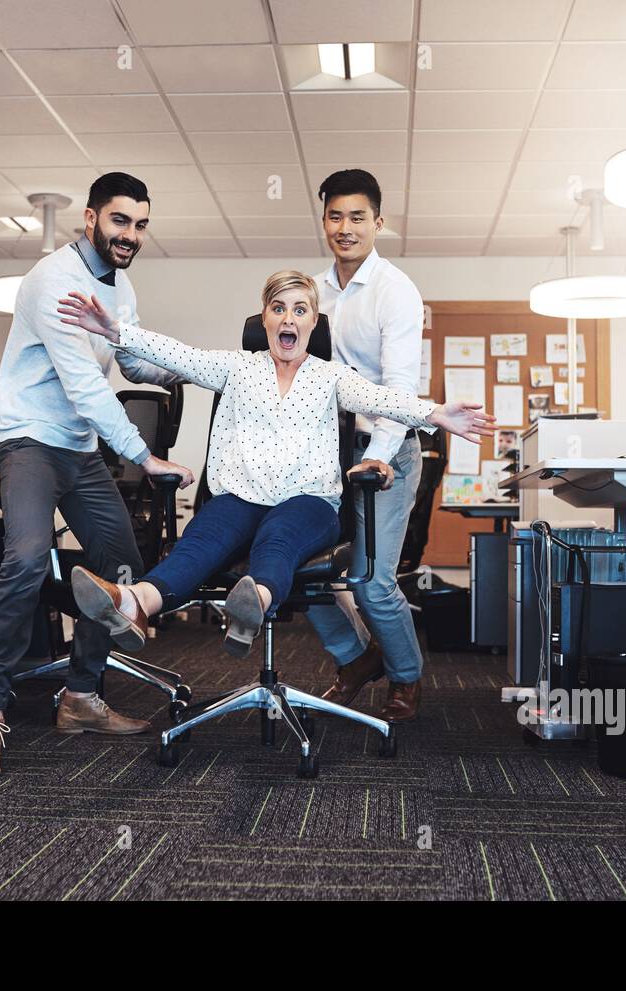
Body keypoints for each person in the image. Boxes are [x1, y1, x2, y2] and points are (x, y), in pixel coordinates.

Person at [55, 271, 496, 658]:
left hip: (309, 504)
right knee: (200, 540)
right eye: (278, 308)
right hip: (239, 498)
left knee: (278, 539)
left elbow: (383, 399)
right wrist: (117, 331)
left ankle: (253, 603)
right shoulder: (236, 367)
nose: (288, 318)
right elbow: (177, 354)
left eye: (300, 309)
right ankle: (134, 603)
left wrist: (434, 413)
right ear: (263, 318)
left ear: (313, 322)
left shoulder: (332, 376)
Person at [0, 172, 193, 778]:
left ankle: (81, 696)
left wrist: (194, 368)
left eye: (141, 225)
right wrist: (144, 455)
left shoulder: (120, 285)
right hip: (31, 440)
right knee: (28, 557)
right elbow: (86, 386)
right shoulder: (53, 283)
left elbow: (129, 356)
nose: (130, 235)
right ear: (89, 218)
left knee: (120, 566)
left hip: (80, 450)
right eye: (119, 221)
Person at [305, 169, 432, 722]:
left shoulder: (394, 290)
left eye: (358, 217)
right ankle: (356, 659)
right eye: (336, 216)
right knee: (297, 569)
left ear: (378, 223)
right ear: (324, 220)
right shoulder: (310, 292)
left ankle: (405, 676)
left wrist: (378, 454)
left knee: (370, 583)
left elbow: (399, 390)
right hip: (325, 454)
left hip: (388, 451)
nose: (346, 227)